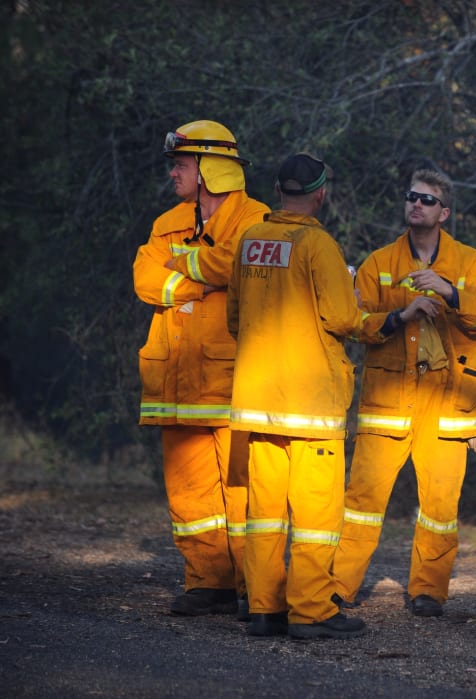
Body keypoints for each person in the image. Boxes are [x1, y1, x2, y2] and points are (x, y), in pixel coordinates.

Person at [226, 152, 387, 640]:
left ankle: (264, 609)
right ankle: (312, 611)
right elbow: (342, 318)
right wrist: (370, 314)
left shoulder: (250, 239)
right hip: (309, 406)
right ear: (320, 195)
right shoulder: (318, 244)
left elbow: (234, 316)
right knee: (316, 516)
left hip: (257, 402)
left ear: (277, 191)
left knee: (264, 515)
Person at [332, 166, 476, 618]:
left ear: (443, 212)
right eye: (412, 196)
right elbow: (354, 323)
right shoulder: (379, 263)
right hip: (388, 402)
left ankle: (429, 590)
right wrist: (400, 316)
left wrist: (450, 293)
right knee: (362, 502)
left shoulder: (469, 263)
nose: (416, 204)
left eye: (427, 200)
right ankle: (340, 587)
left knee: (440, 507)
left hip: (447, 405)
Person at [133, 120, 269, 617]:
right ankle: (208, 582)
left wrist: (180, 267)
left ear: (211, 168)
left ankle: (254, 587)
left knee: (242, 490)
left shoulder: (257, 219)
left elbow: (233, 266)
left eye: (182, 164)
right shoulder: (167, 222)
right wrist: (198, 282)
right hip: (175, 379)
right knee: (189, 492)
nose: (173, 173)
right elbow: (144, 279)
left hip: (232, 380)